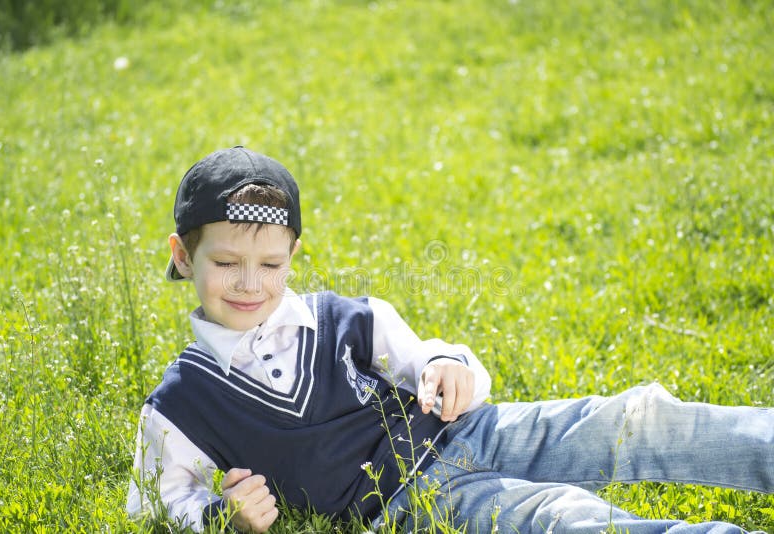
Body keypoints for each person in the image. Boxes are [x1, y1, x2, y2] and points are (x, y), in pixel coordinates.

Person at [127, 146, 773, 533]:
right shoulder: (181, 402)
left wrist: (448, 364)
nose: (249, 283)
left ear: (293, 252)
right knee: (561, 517)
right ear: (183, 255)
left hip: (467, 430)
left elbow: (428, 358)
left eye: (270, 265)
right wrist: (224, 517)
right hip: (415, 497)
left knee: (633, 422)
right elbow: (156, 503)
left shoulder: (348, 318)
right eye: (225, 263)